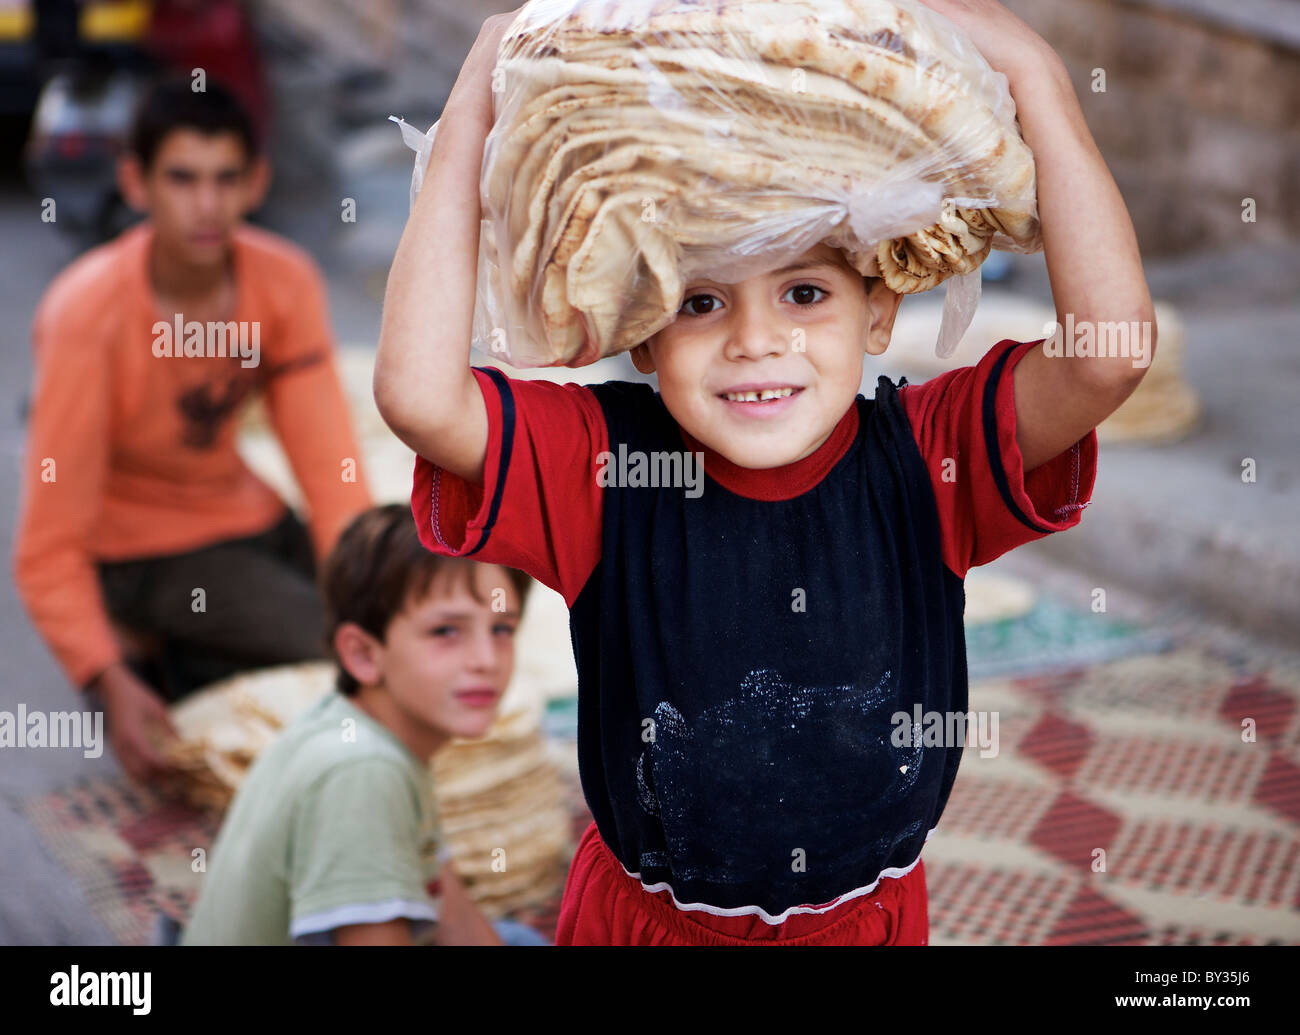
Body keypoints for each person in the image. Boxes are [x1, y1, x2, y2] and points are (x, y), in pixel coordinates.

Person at [374, 1, 1155, 945]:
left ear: (878, 314)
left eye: (804, 291)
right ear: (644, 333)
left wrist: (1037, 78)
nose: (754, 342)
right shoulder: (604, 468)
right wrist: (475, 99)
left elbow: (1108, 355)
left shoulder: (929, 455)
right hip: (645, 926)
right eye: (700, 300)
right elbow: (420, 396)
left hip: (869, 924)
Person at [12, 79, 372, 784]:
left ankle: (185, 656)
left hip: (247, 515)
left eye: (225, 179)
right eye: (181, 178)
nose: (206, 205)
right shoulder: (86, 313)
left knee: (400, 614)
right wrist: (104, 675)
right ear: (134, 182)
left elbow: (330, 468)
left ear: (255, 182)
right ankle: (141, 647)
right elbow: (47, 542)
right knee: (339, 656)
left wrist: (366, 580)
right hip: (141, 549)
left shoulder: (284, 281)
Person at [181, 503, 548, 945]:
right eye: (446, 632)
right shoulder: (361, 770)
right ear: (363, 655)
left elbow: (451, 910)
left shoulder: (368, 730)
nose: (486, 660)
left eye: (502, 630)